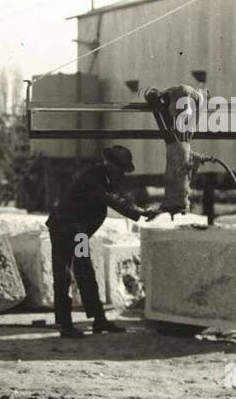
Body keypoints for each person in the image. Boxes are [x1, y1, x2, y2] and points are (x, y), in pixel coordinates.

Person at [46, 145, 158, 339]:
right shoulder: (94, 176)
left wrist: (139, 210)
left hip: (78, 233)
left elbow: (121, 199)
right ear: (109, 164)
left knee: (85, 272)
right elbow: (112, 200)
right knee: (63, 276)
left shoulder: (107, 179)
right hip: (64, 229)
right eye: (120, 168)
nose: (122, 173)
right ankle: (65, 324)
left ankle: (99, 319)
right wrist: (139, 213)